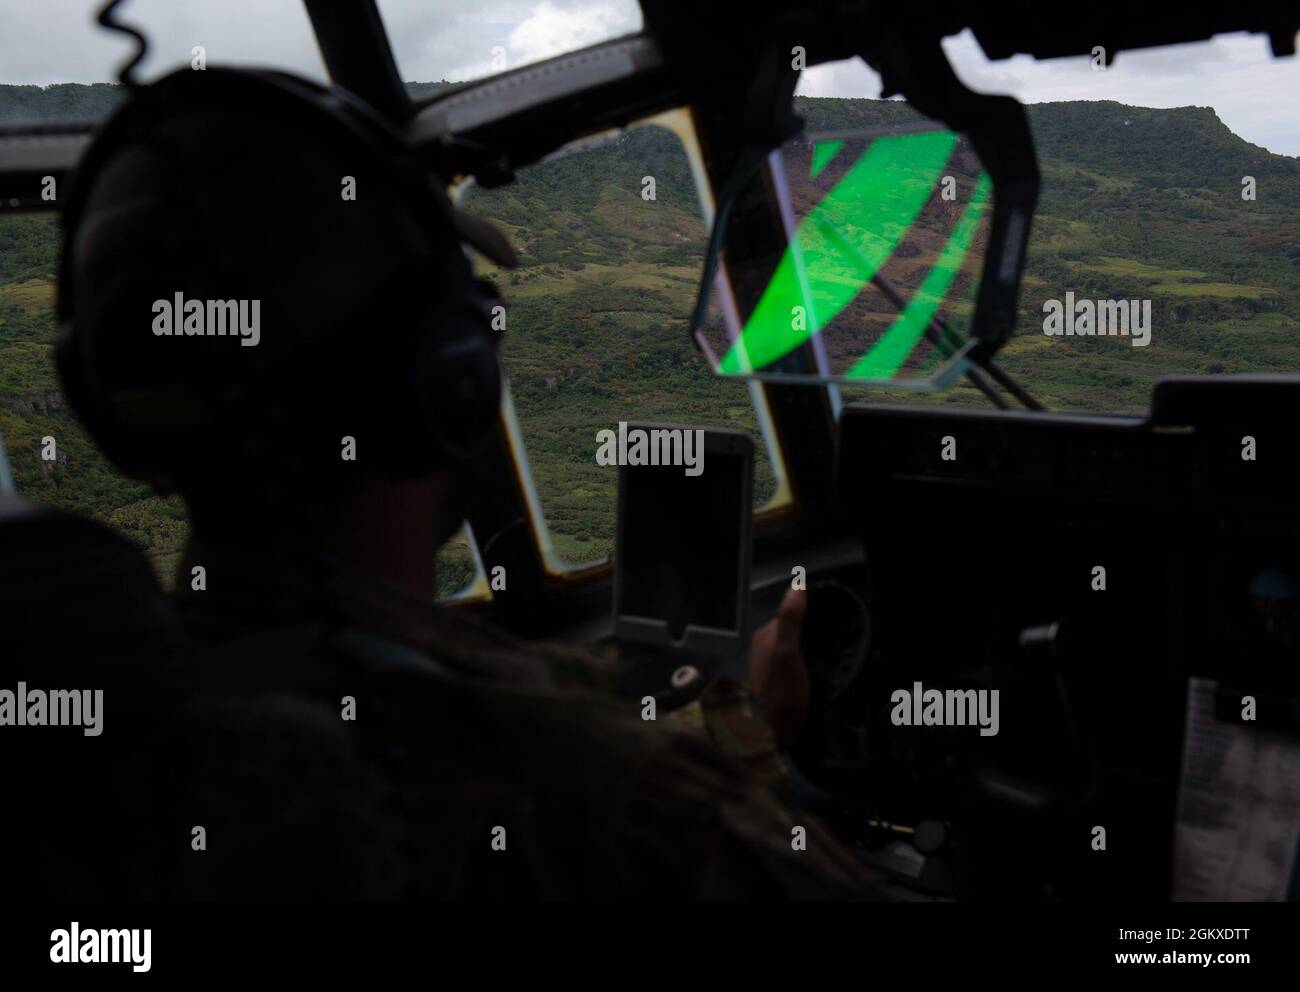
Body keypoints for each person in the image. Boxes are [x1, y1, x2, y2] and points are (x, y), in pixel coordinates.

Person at [57, 71, 885, 900]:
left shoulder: (108, 735)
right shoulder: (613, 801)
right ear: (440, 373)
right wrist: (753, 749)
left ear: (112, 418)